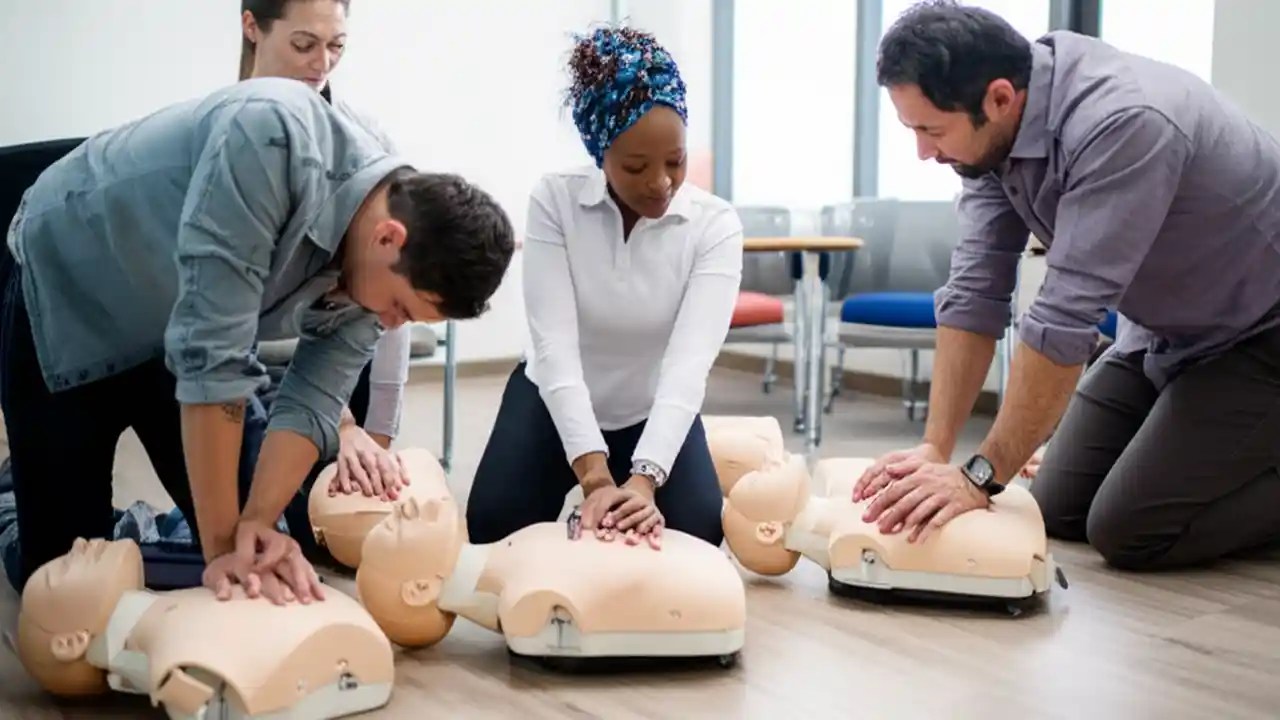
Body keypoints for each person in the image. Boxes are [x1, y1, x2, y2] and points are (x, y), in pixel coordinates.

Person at [1, 77, 515, 602]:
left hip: (180, 333)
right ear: (389, 238)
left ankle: (130, 529)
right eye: (402, 308)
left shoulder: (381, 255)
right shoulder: (269, 138)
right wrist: (224, 548)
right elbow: (213, 364)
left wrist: (257, 523)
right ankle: (11, 495)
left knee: (263, 548)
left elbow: (313, 400)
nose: (392, 325)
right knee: (62, 589)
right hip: (74, 296)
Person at [850, 0, 1280, 571]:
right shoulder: (990, 140)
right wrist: (936, 446)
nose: (924, 152)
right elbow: (975, 291)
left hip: (1260, 336)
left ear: (999, 99)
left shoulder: (1126, 121)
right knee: (1055, 506)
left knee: (1129, 531)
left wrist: (979, 476)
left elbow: (1062, 320)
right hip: (1164, 334)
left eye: (931, 130)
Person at [465, 26, 743, 550]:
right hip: (552, 398)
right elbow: (554, 349)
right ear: (600, 154)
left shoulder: (715, 225)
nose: (660, 182)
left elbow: (688, 366)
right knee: (493, 525)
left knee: (698, 533)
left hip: (649, 406)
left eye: (676, 160)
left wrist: (644, 481)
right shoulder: (556, 201)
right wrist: (595, 478)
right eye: (636, 166)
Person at [239, 0, 410, 504]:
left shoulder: (370, 144)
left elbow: (392, 302)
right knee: (269, 511)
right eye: (304, 45)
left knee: (347, 507)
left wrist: (375, 436)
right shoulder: (234, 144)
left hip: (336, 359)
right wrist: (341, 425)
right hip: (243, 365)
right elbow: (220, 325)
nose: (323, 63)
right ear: (252, 27)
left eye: (337, 46)